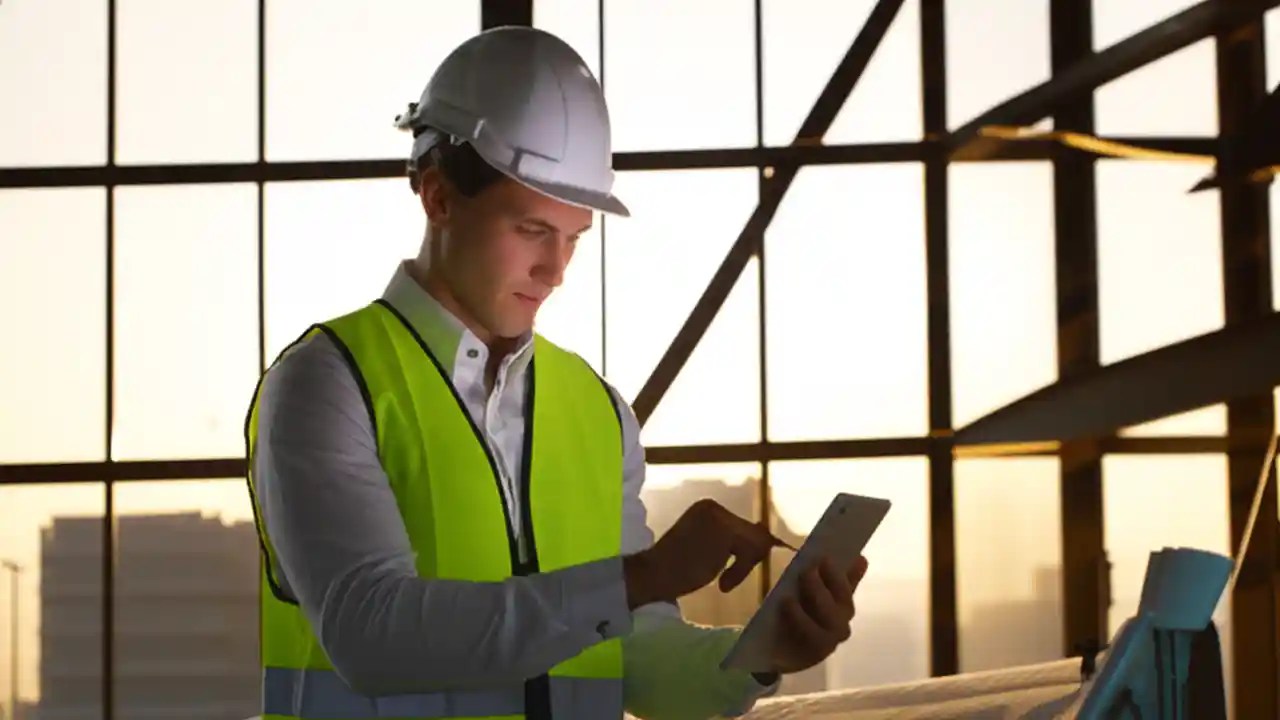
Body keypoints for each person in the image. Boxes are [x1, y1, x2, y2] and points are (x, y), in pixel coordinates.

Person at [244, 25, 869, 720]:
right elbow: (371, 638)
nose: (558, 270)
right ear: (438, 195)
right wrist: (644, 576)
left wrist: (765, 654)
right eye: (533, 230)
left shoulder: (597, 411)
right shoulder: (327, 383)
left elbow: (642, 669)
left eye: (574, 237)